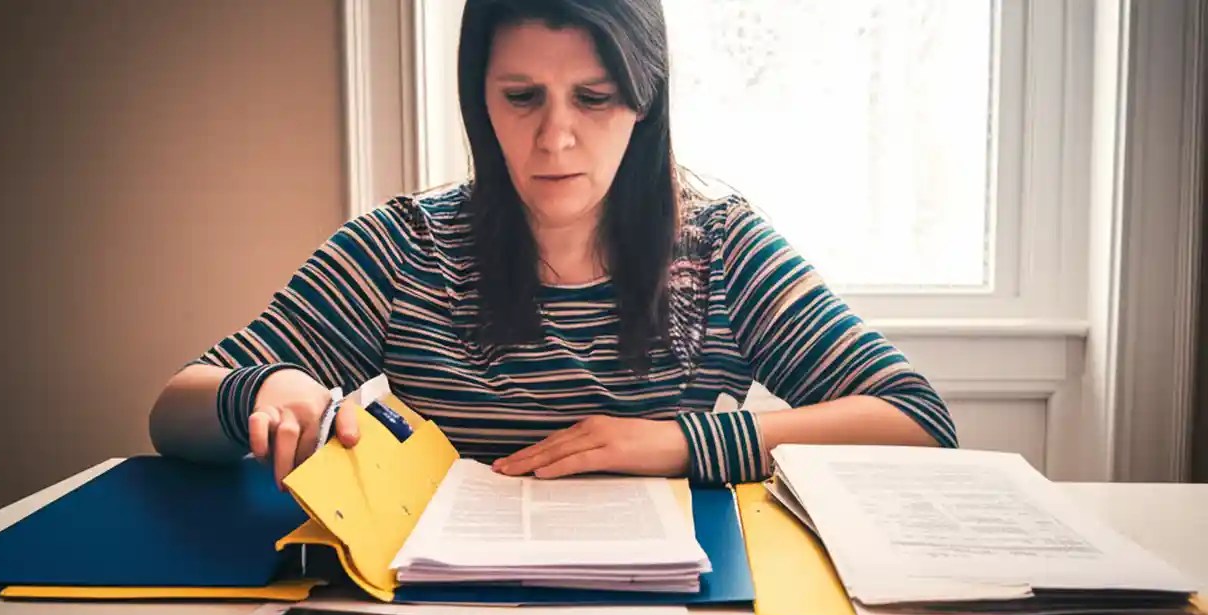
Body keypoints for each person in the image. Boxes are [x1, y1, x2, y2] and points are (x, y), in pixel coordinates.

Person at [148, 0, 957, 489]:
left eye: (595, 98)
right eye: (521, 97)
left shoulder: (723, 250)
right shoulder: (405, 248)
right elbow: (174, 405)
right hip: (438, 613)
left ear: (643, 103)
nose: (555, 138)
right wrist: (265, 388)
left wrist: (677, 442)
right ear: (480, 101)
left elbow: (917, 421)